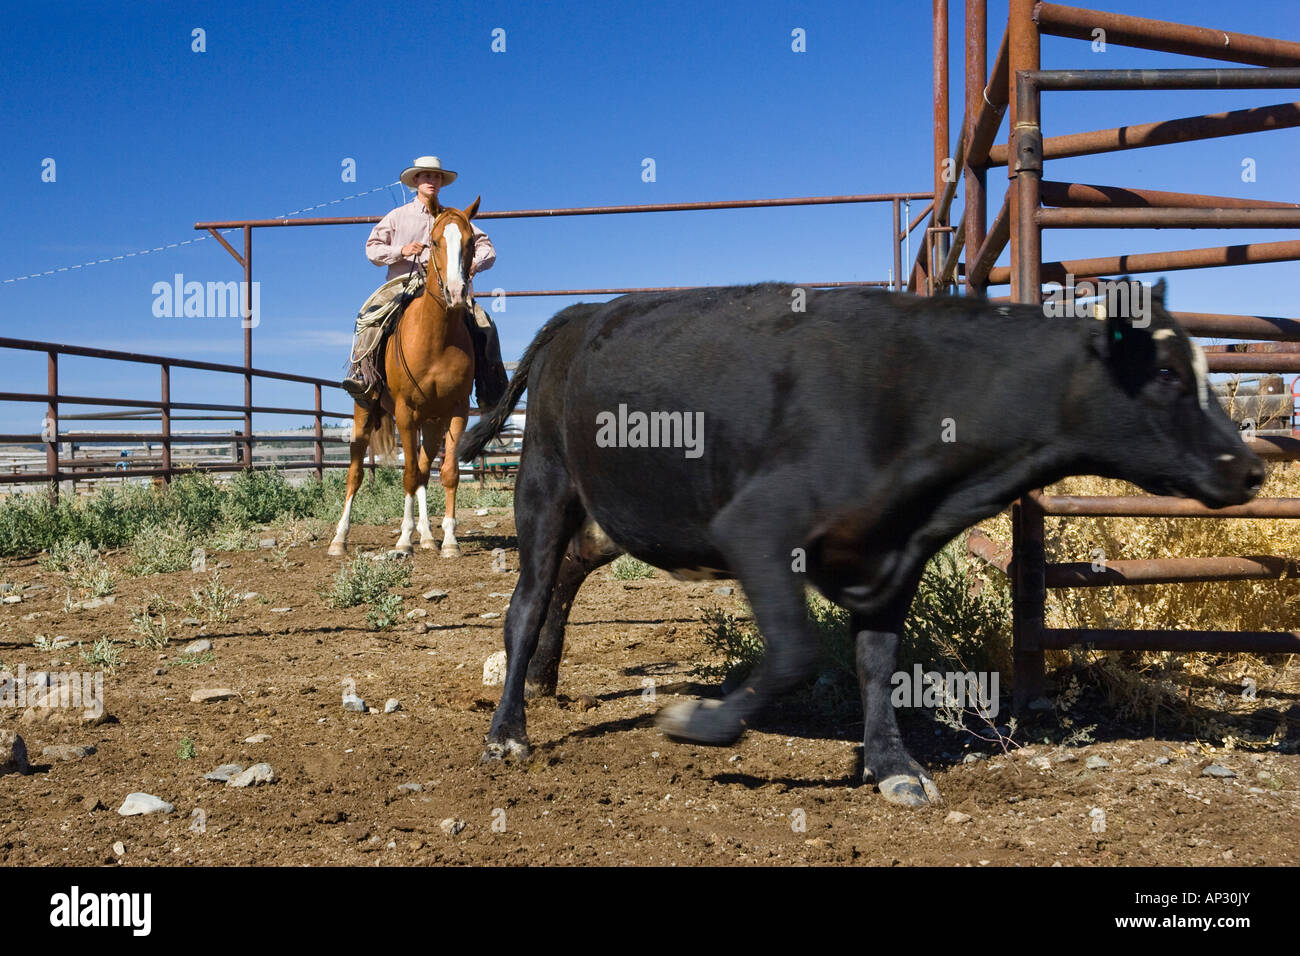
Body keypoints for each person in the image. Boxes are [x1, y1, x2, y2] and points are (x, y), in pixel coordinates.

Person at [343, 155, 508, 409]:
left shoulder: (453, 218)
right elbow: (372, 249)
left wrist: (473, 264)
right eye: (426, 176)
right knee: (371, 318)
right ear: (416, 181)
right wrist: (401, 250)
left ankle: (490, 387)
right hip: (401, 284)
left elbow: (487, 247)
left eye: (437, 176)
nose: (432, 180)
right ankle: (364, 379)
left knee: (484, 323)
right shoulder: (397, 217)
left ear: (442, 183)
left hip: (446, 286)